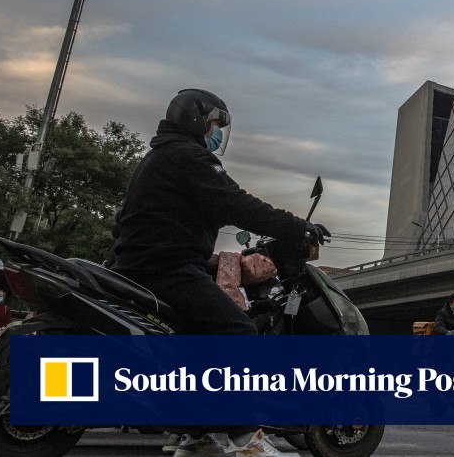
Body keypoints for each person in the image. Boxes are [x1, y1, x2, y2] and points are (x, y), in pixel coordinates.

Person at [111, 89, 326, 457]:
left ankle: (197, 436)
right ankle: (245, 438)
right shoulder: (189, 157)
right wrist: (298, 227)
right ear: (194, 119)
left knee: (198, 341)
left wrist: (205, 258)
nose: (215, 132)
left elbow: (146, 223)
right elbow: (237, 203)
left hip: (143, 264)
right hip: (166, 268)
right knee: (238, 331)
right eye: (214, 123)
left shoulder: (159, 157)